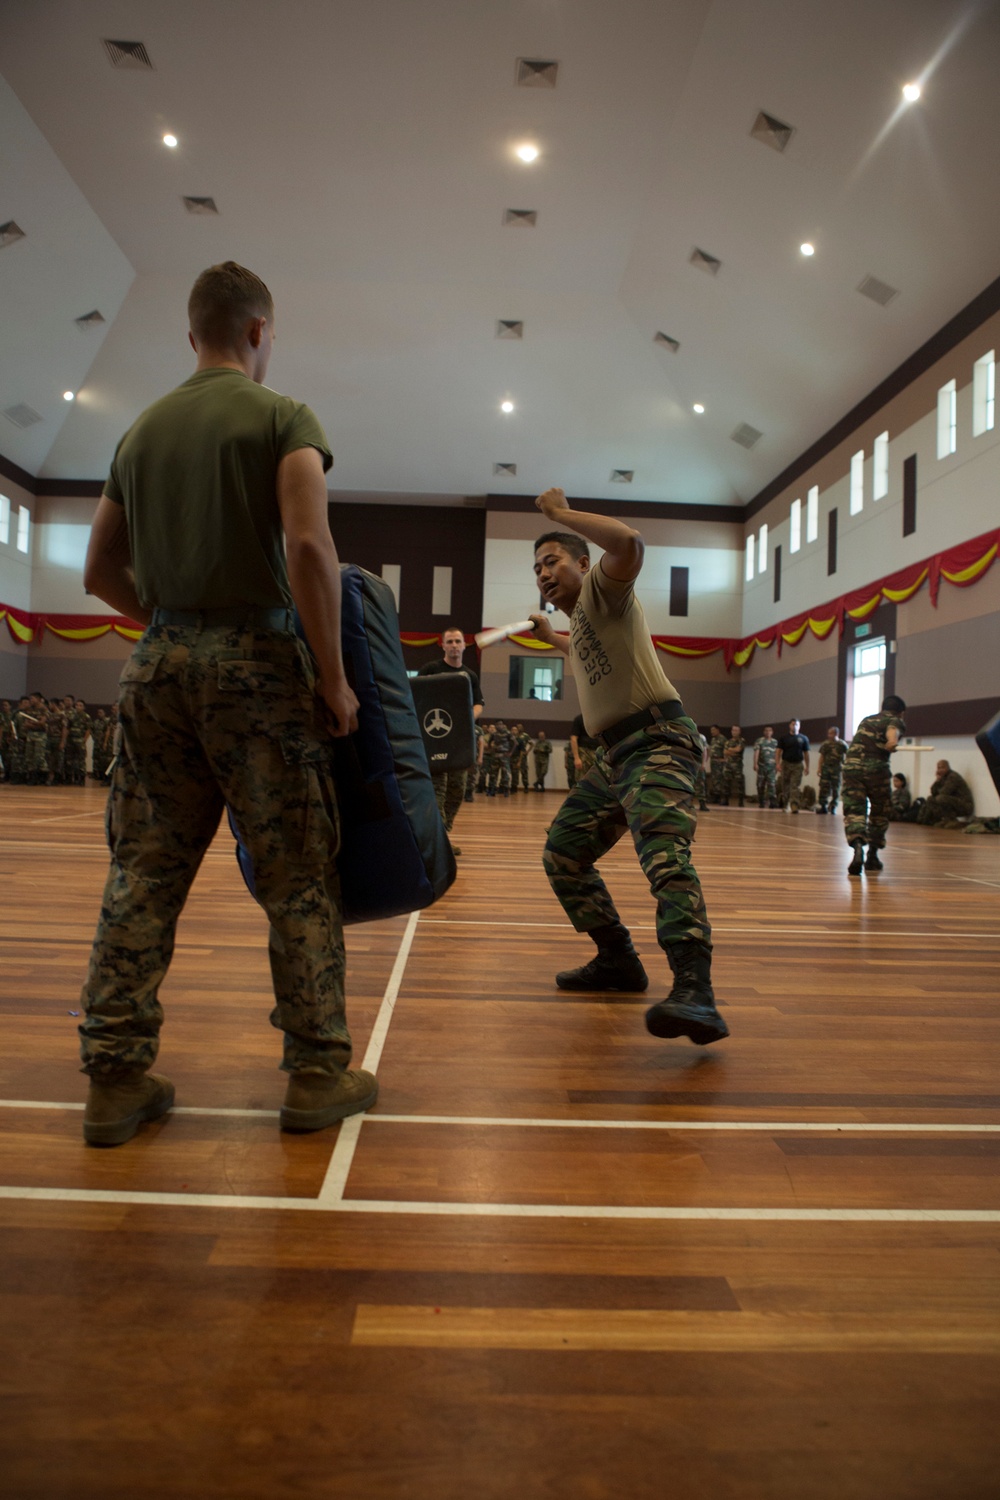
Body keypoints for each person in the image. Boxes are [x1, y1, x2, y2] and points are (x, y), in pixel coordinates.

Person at [77, 259, 375, 1146]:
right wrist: (331, 676)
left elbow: (98, 573)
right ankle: (318, 1074)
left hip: (158, 665)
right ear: (257, 333)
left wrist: (175, 626)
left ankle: (115, 1079)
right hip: (259, 669)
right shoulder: (281, 416)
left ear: (192, 334)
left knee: (145, 869)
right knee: (296, 877)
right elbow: (311, 549)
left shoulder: (139, 432)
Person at [528, 487, 727, 1047]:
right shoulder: (586, 621)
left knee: (664, 856)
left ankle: (696, 991)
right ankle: (617, 960)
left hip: (657, 742)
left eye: (552, 560)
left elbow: (631, 544)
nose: (543, 574)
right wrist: (553, 640)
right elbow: (589, 652)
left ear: (584, 565)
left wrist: (560, 516)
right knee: (564, 853)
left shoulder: (601, 591)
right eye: (537, 568)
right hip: (615, 757)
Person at [416, 626, 483, 855]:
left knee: (456, 791)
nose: (454, 645)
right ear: (442, 645)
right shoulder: (430, 670)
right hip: (433, 743)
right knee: (436, 793)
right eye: (450, 642)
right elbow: (416, 698)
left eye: (458, 641)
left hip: (458, 745)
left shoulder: (468, 676)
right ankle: (438, 842)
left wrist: (466, 719)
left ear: (464, 645)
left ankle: (443, 834)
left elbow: (479, 704)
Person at [841, 694, 907, 875]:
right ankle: (872, 856)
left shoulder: (867, 720)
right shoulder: (895, 720)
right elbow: (892, 730)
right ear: (901, 713)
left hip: (851, 769)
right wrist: (892, 741)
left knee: (855, 810)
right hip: (876, 770)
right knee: (880, 811)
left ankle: (857, 849)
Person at [918, 760, 975, 826]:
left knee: (941, 798)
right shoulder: (943, 777)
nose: (940, 770)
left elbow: (945, 792)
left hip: (965, 805)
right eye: (938, 768)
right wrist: (937, 780)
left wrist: (939, 787)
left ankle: (951, 820)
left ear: (948, 767)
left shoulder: (953, 776)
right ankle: (946, 819)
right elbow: (933, 792)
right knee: (930, 799)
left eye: (942, 767)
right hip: (953, 803)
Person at [775, 718, 811, 813]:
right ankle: (785, 803)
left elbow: (806, 753)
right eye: (793, 724)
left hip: (798, 764)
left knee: (795, 786)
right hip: (786, 764)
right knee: (785, 785)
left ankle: (794, 805)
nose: (794, 726)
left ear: (799, 726)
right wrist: (777, 764)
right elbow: (778, 751)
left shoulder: (803, 738)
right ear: (789, 725)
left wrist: (807, 766)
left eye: (796, 724)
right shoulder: (784, 738)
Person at [816, 726, 848, 814]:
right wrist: (819, 768)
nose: (829, 735)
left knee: (836, 788)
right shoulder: (825, 744)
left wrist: (846, 767)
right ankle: (823, 806)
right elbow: (822, 757)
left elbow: (848, 756)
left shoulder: (842, 744)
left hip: (837, 769)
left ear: (836, 734)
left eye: (831, 733)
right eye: (828, 733)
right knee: (824, 787)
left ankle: (833, 806)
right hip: (826, 768)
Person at [570, 711, 599, 782]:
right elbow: (573, 738)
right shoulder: (579, 719)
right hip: (584, 752)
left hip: (597, 751)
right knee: (581, 780)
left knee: (596, 780)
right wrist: (576, 758)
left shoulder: (599, 719)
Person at [753, 726, 778, 808]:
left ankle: (772, 802)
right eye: (766, 731)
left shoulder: (775, 742)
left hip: (771, 767)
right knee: (760, 785)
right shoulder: (759, 741)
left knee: (772, 784)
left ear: (772, 732)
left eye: (770, 730)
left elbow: (778, 754)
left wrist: (778, 764)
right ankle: (761, 801)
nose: (768, 732)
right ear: (764, 732)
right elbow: (756, 752)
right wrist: (755, 763)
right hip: (762, 766)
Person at [721, 725, 746, 807]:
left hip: (737, 765)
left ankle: (741, 801)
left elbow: (738, 749)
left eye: (736, 730)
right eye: (733, 730)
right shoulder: (728, 742)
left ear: (739, 732)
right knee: (726, 783)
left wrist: (730, 750)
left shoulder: (741, 740)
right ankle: (725, 800)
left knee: (739, 783)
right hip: (728, 765)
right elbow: (725, 752)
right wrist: (733, 750)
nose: (734, 732)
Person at [707, 725, 726, 802]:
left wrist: (724, 759)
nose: (712, 731)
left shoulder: (722, 739)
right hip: (713, 762)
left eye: (713, 730)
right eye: (711, 730)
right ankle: (715, 796)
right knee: (714, 779)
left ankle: (718, 797)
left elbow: (726, 750)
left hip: (719, 762)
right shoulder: (713, 739)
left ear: (718, 730)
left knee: (718, 779)